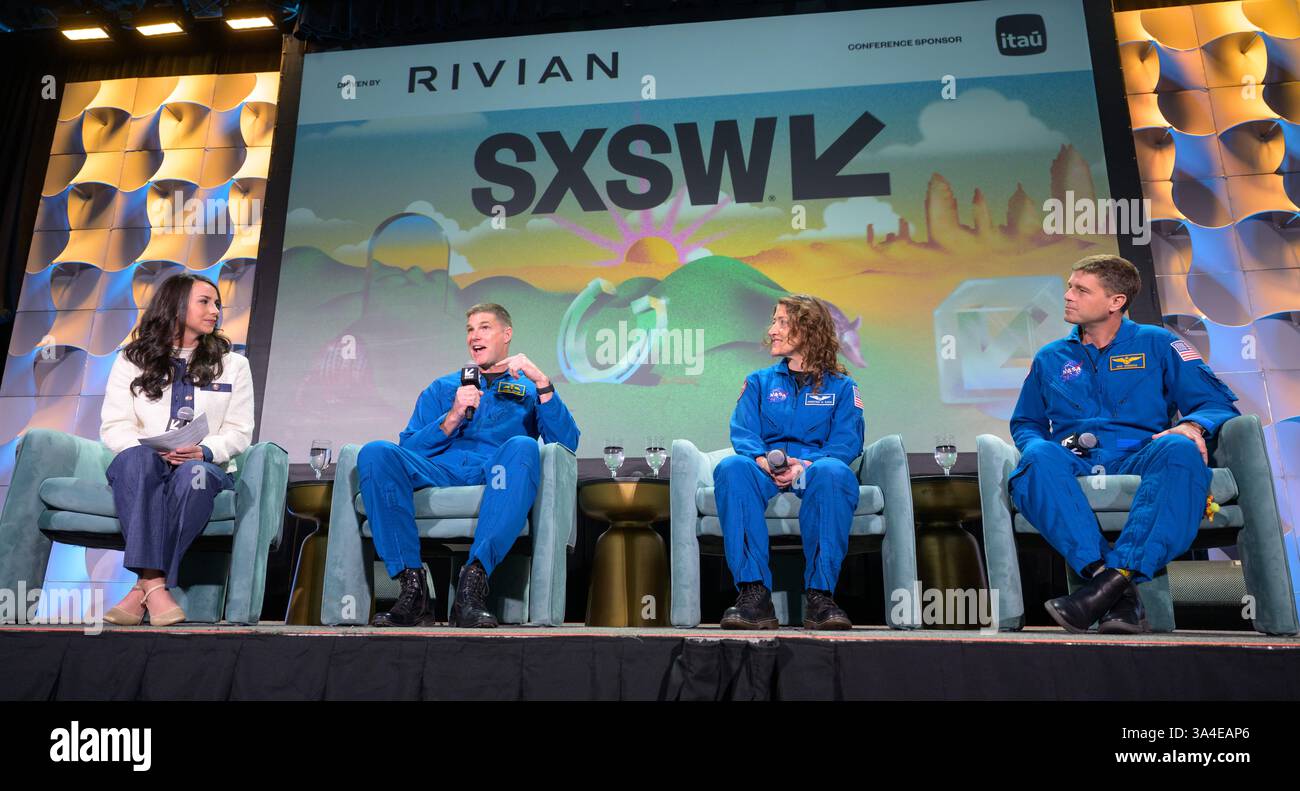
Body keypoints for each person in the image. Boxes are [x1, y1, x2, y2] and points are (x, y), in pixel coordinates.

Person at [1010, 254, 1240, 634]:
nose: (1067, 296)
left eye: (1081, 290)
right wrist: (1042, 444)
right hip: (1076, 460)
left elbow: (1214, 404)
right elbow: (1026, 423)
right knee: (1035, 456)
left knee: (1180, 449)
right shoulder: (1050, 357)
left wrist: (1195, 426)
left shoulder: (1159, 342)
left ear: (1116, 301)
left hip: (1140, 455)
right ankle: (1116, 589)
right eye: (1070, 286)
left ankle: (1104, 586)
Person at [358, 303, 580, 627]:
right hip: (441, 470)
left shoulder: (531, 388)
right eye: (470, 330)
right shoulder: (444, 387)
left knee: (522, 446)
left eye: (485, 327)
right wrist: (451, 418)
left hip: (496, 472)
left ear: (507, 334)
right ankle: (412, 588)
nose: (475, 336)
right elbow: (409, 449)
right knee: (375, 453)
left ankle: (473, 587)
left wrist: (543, 382)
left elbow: (566, 444)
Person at [100, 273, 255, 626]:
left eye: (217, 304)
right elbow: (115, 425)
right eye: (205, 302)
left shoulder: (234, 364)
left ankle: (144, 586)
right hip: (142, 463)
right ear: (175, 305)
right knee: (138, 460)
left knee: (193, 476)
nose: (215, 311)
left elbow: (239, 431)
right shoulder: (132, 360)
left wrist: (205, 451)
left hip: (203, 466)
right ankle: (157, 586)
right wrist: (151, 450)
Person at [714, 294, 866, 630]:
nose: (772, 330)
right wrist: (762, 460)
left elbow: (846, 442)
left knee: (832, 472)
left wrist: (805, 465)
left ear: (808, 329)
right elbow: (743, 431)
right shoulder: (758, 382)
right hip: (763, 469)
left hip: (813, 471)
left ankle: (820, 597)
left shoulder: (842, 388)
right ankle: (754, 595)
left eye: (782, 322)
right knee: (731, 468)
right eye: (774, 321)